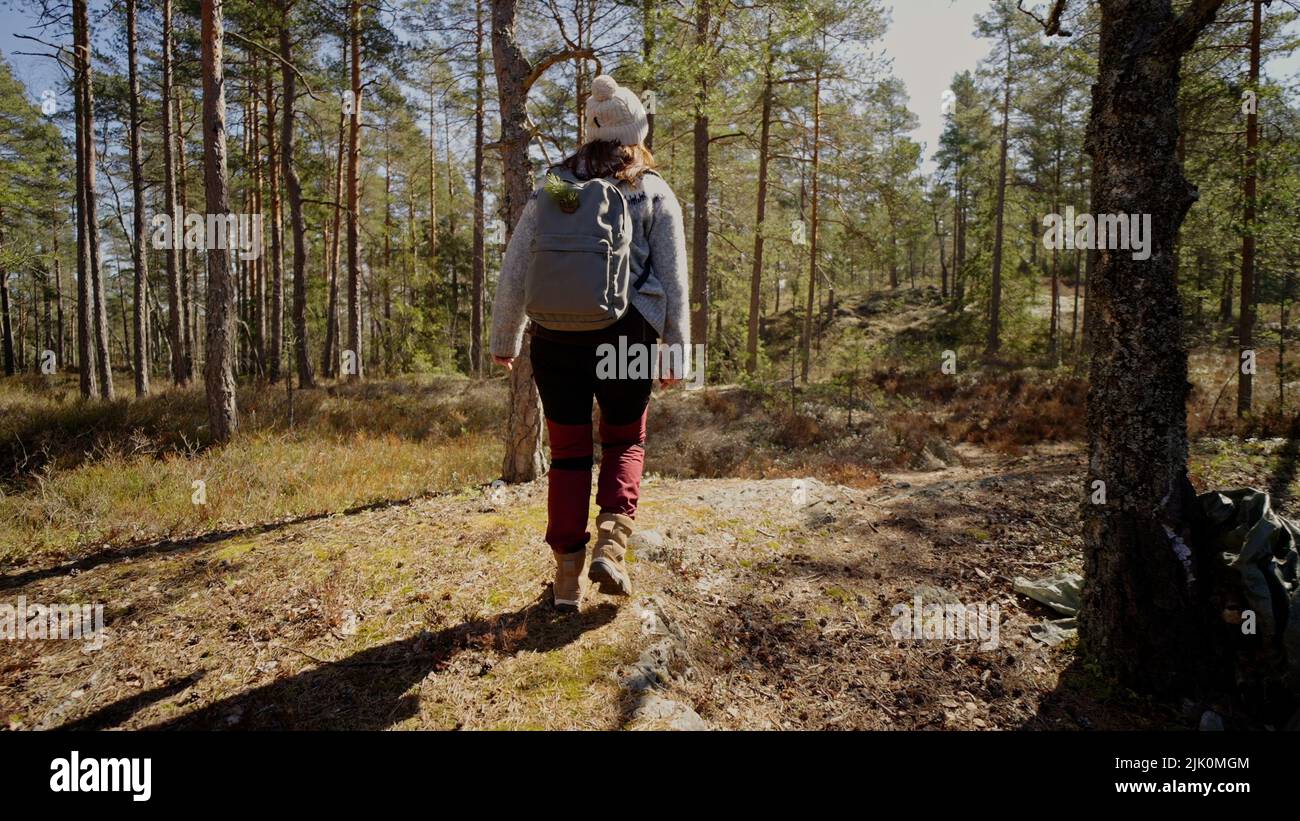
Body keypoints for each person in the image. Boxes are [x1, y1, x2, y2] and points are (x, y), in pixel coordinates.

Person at [489, 74, 689, 612]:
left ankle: (565, 577)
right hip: (626, 332)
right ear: (637, 131)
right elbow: (673, 280)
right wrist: (674, 350)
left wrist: (505, 335)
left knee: (570, 454)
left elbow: (516, 264)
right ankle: (612, 545)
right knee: (624, 441)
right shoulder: (650, 188)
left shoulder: (555, 184)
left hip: (555, 338)